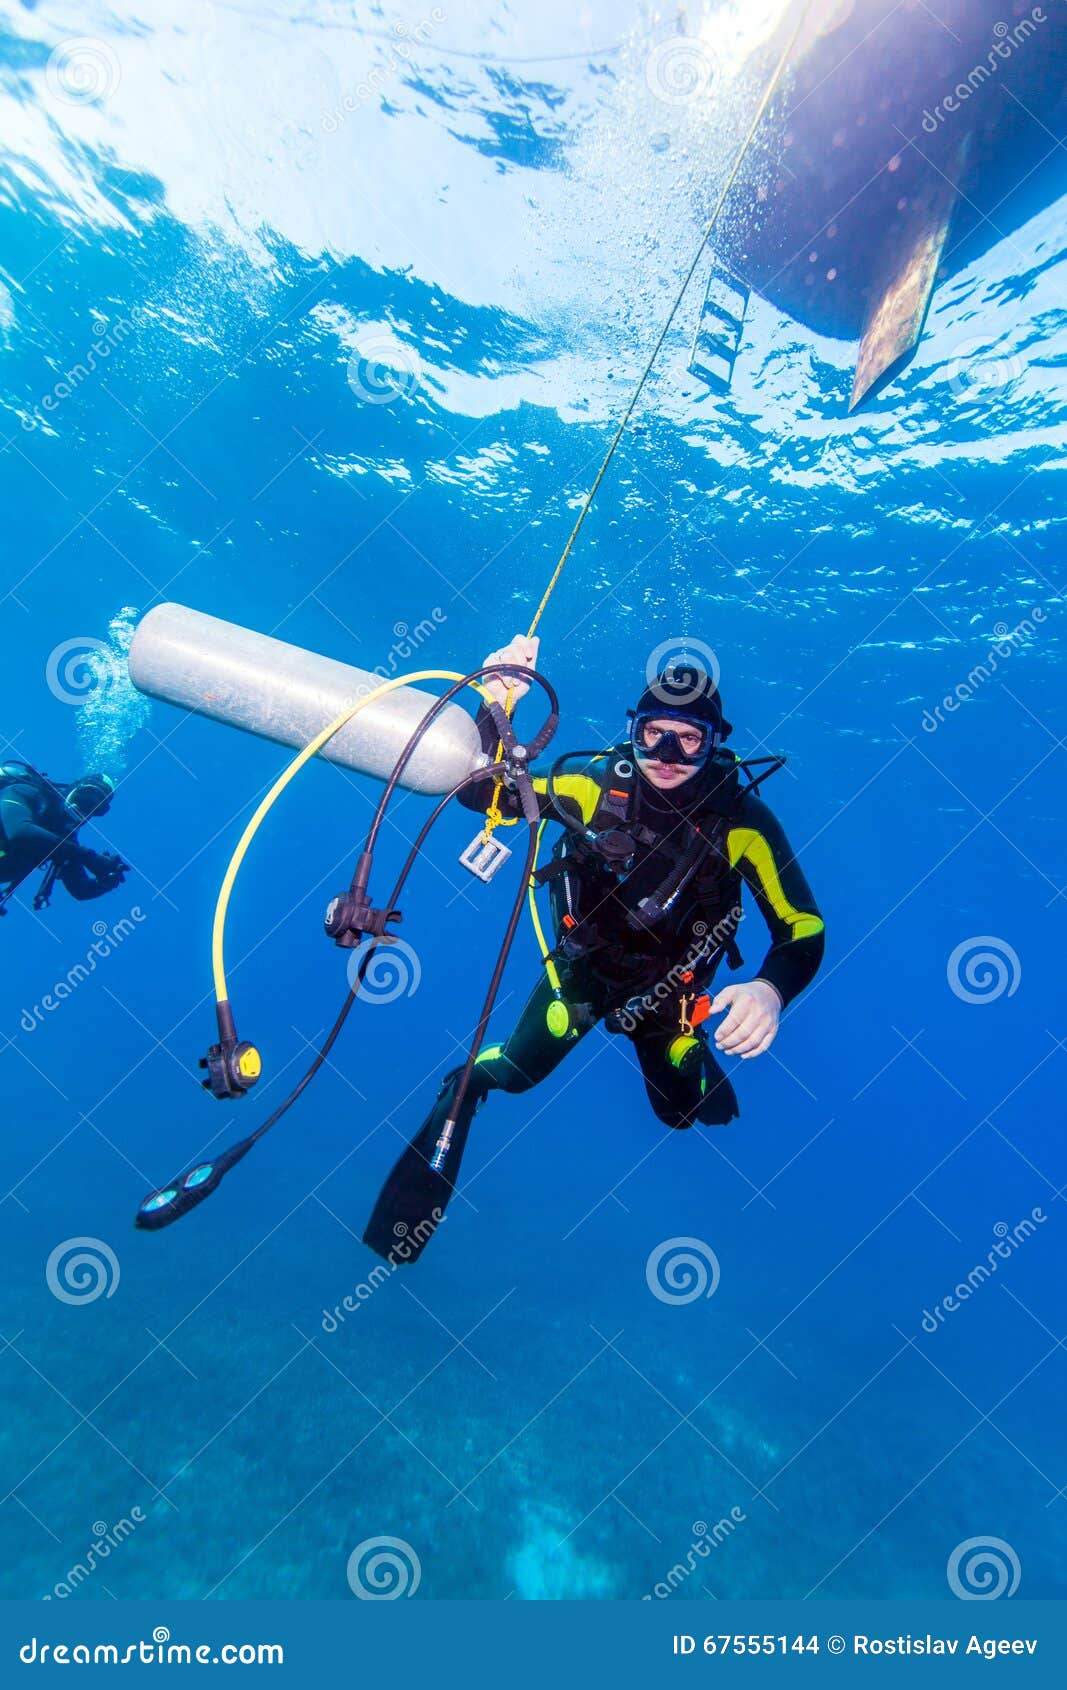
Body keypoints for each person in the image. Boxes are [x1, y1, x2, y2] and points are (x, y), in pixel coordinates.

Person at [364, 636, 824, 1262]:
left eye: (688, 737)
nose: (666, 752)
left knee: (680, 1116)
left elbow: (802, 928)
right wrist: (495, 701)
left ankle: (683, 1056)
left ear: (716, 741)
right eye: (653, 732)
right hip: (579, 979)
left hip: (671, 997)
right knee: (511, 1077)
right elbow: (481, 792)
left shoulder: (742, 821)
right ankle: (461, 1093)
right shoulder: (594, 785)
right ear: (632, 731)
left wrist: (771, 991)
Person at [0, 763, 126, 912]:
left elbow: (80, 890)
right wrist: (87, 856)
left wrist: (107, 882)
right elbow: (19, 833)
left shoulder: (66, 843)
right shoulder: (25, 792)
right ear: (72, 788)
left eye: (94, 807)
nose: (83, 806)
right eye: (84, 797)